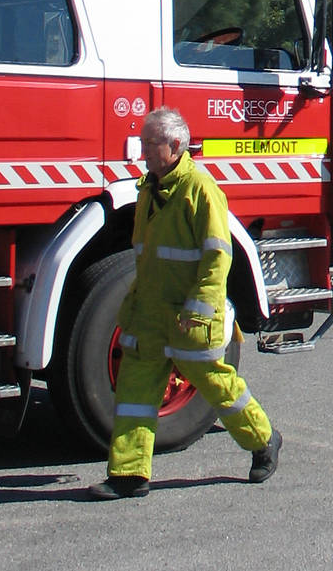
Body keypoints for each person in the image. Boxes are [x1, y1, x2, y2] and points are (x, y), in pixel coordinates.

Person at [89, 106, 282, 500]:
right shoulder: (150, 189)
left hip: (186, 316)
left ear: (175, 145)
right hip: (150, 313)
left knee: (216, 384)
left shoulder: (200, 189)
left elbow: (218, 255)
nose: (143, 150)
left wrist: (200, 309)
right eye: (143, 142)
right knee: (135, 393)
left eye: (150, 143)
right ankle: (128, 475)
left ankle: (263, 440)